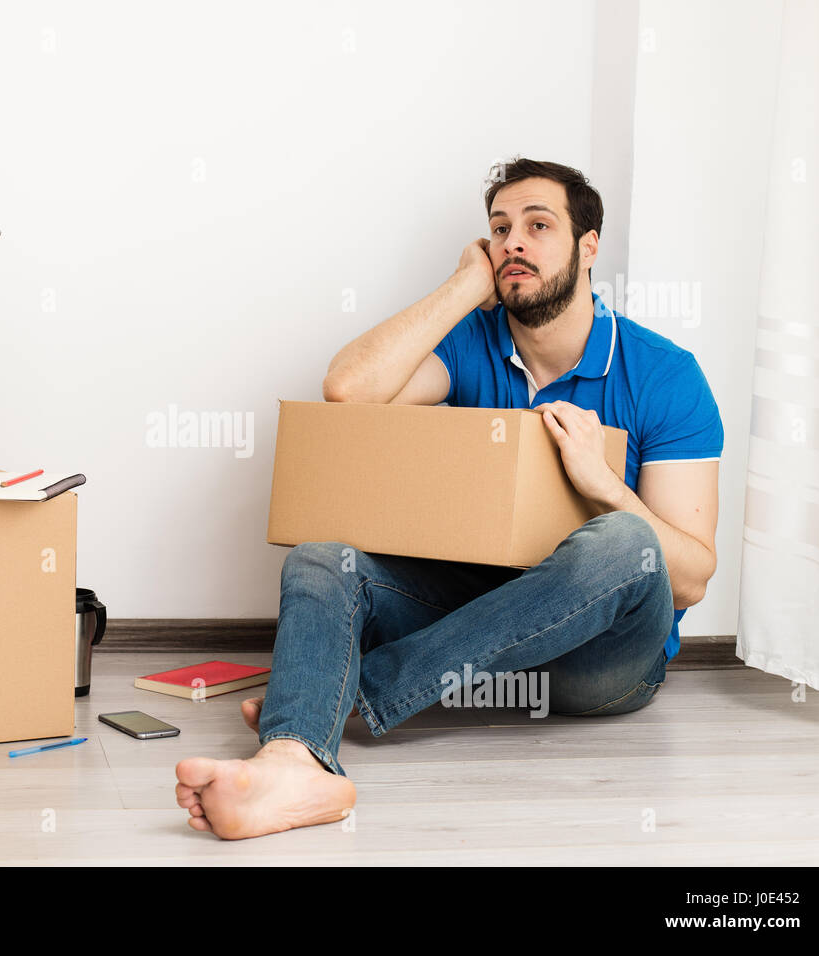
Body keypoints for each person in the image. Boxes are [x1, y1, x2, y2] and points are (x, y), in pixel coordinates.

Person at [175, 157, 725, 840]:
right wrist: (466, 284)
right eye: (499, 229)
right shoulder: (473, 344)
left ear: (589, 247)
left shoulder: (664, 375)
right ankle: (294, 763)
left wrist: (604, 485)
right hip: (476, 626)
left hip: (596, 664)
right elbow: (349, 392)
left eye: (538, 225)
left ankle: (350, 692)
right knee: (322, 559)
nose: (513, 242)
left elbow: (692, 579)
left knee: (626, 543)